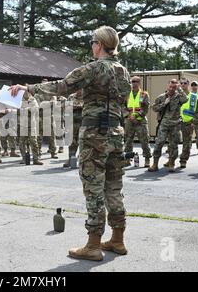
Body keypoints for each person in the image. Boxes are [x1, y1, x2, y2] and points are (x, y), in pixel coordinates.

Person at [10, 26, 131, 262]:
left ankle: (93, 245)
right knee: (114, 188)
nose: (91, 45)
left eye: (92, 41)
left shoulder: (94, 68)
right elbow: (120, 98)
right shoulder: (123, 71)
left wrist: (29, 88)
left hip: (95, 134)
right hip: (116, 132)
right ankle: (118, 239)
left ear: (99, 44)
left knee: (94, 189)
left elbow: (63, 85)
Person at [148, 79, 188, 172]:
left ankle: (171, 163)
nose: (172, 89)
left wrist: (180, 89)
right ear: (167, 86)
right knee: (159, 143)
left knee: (174, 145)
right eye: (170, 86)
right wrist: (164, 103)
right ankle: (155, 164)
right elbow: (154, 108)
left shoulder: (179, 97)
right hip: (164, 124)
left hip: (175, 125)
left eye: (174, 87)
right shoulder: (161, 97)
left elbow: (185, 99)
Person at [124, 76, 152, 168]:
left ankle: (147, 158)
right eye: (132, 81)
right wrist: (128, 116)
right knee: (128, 140)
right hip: (129, 121)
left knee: (144, 141)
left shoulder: (144, 94)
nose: (133, 83)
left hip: (141, 121)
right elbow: (124, 107)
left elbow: (146, 108)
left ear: (139, 83)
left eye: (136, 81)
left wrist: (137, 115)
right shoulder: (127, 94)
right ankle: (128, 159)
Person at [179, 78, 198, 169]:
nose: (183, 84)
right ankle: (171, 160)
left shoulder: (193, 96)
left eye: (185, 83)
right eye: (181, 83)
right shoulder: (176, 95)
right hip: (176, 122)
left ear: (188, 84)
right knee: (172, 142)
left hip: (188, 122)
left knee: (187, 142)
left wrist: (194, 121)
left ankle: (183, 160)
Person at [18, 91, 43, 165]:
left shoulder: (33, 100)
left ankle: (36, 159)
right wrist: (27, 109)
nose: (26, 93)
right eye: (25, 92)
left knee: (34, 142)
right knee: (22, 143)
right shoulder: (19, 100)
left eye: (27, 91)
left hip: (32, 124)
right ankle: (24, 158)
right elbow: (17, 110)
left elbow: (35, 110)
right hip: (23, 124)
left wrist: (25, 109)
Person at [64, 90, 83, 168]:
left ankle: (82, 160)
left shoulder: (87, 96)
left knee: (83, 142)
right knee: (72, 142)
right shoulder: (71, 96)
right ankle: (71, 159)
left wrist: (75, 106)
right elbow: (67, 107)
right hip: (72, 123)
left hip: (84, 123)